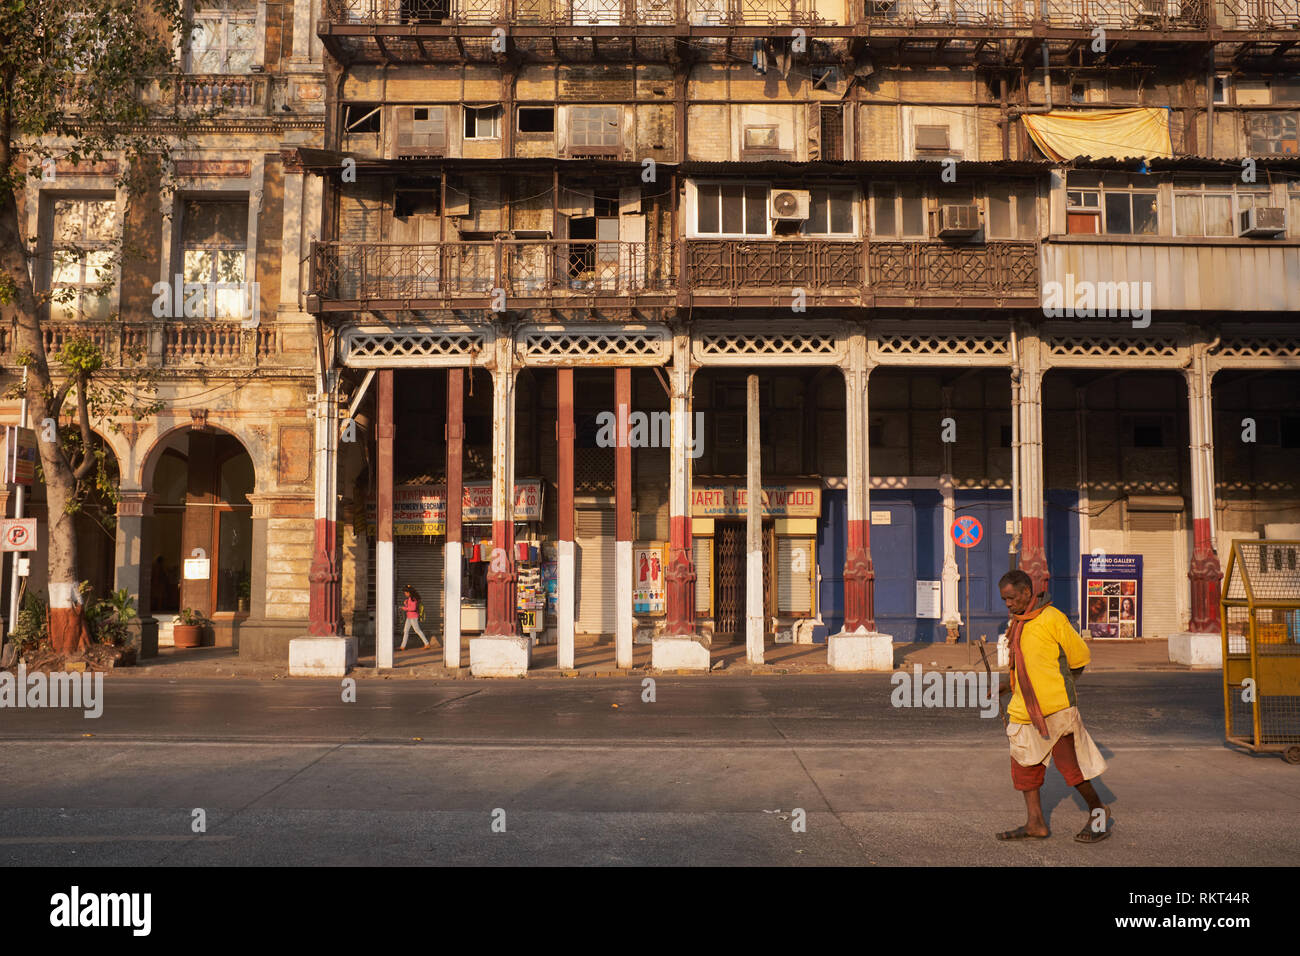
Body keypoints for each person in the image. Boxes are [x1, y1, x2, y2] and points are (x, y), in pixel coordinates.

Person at [995, 569, 1113, 844]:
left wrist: (1057, 686)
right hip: (1023, 711)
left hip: (1057, 710)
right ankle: (1035, 823)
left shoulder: (1052, 618)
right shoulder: (1018, 623)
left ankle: (1099, 814)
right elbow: (1025, 667)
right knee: (1025, 768)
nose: (1009, 604)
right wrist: (1006, 686)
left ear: (1027, 592)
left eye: (1012, 598)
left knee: (1073, 770)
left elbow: (1079, 657)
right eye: (1004, 600)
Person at [399, 585, 429, 651]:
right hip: (409, 616)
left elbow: (413, 608)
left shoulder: (413, 599)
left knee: (417, 630)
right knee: (406, 631)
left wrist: (404, 608)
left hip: (413, 617)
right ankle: (402, 646)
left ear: (409, 592)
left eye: (406, 592)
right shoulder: (410, 599)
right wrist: (406, 603)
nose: (405, 594)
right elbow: (409, 607)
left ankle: (427, 644)